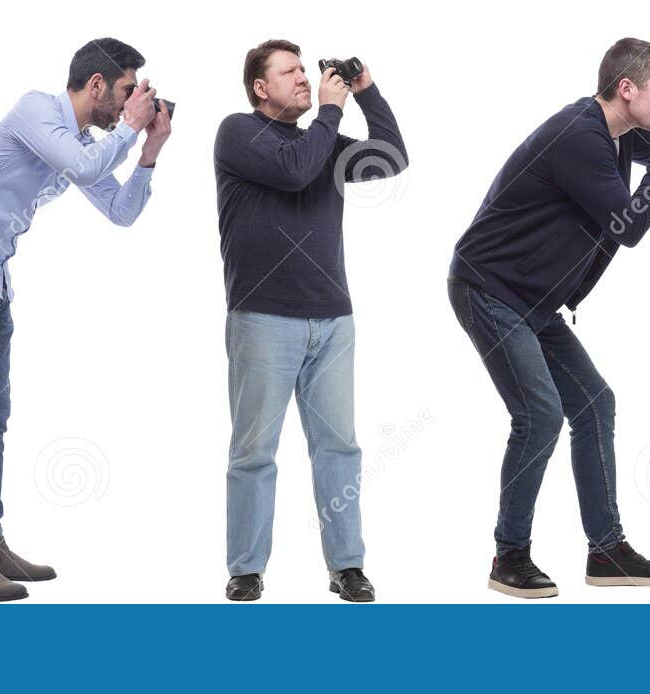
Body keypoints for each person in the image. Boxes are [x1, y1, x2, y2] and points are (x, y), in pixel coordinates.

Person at [447, 38, 650, 599]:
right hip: (489, 288)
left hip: (533, 300)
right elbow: (632, 224)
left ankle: (606, 550)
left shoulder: (612, 132)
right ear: (627, 88)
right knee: (539, 414)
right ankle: (509, 556)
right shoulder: (580, 135)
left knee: (594, 403)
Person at [0, 37, 172, 601]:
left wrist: (148, 151)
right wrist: (129, 129)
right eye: (128, 91)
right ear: (97, 84)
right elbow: (83, 165)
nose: (132, 103)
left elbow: (122, 211)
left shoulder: (81, 142)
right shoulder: (37, 109)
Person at [213, 39, 407, 602]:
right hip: (262, 318)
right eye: (291, 72)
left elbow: (392, 156)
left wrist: (366, 90)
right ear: (260, 87)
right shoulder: (237, 133)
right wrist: (330, 109)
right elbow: (296, 172)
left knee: (339, 448)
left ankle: (347, 566)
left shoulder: (321, 139)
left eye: (306, 70)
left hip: (333, 320)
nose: (304, 78)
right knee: (254, 450)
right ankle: (246, 569)